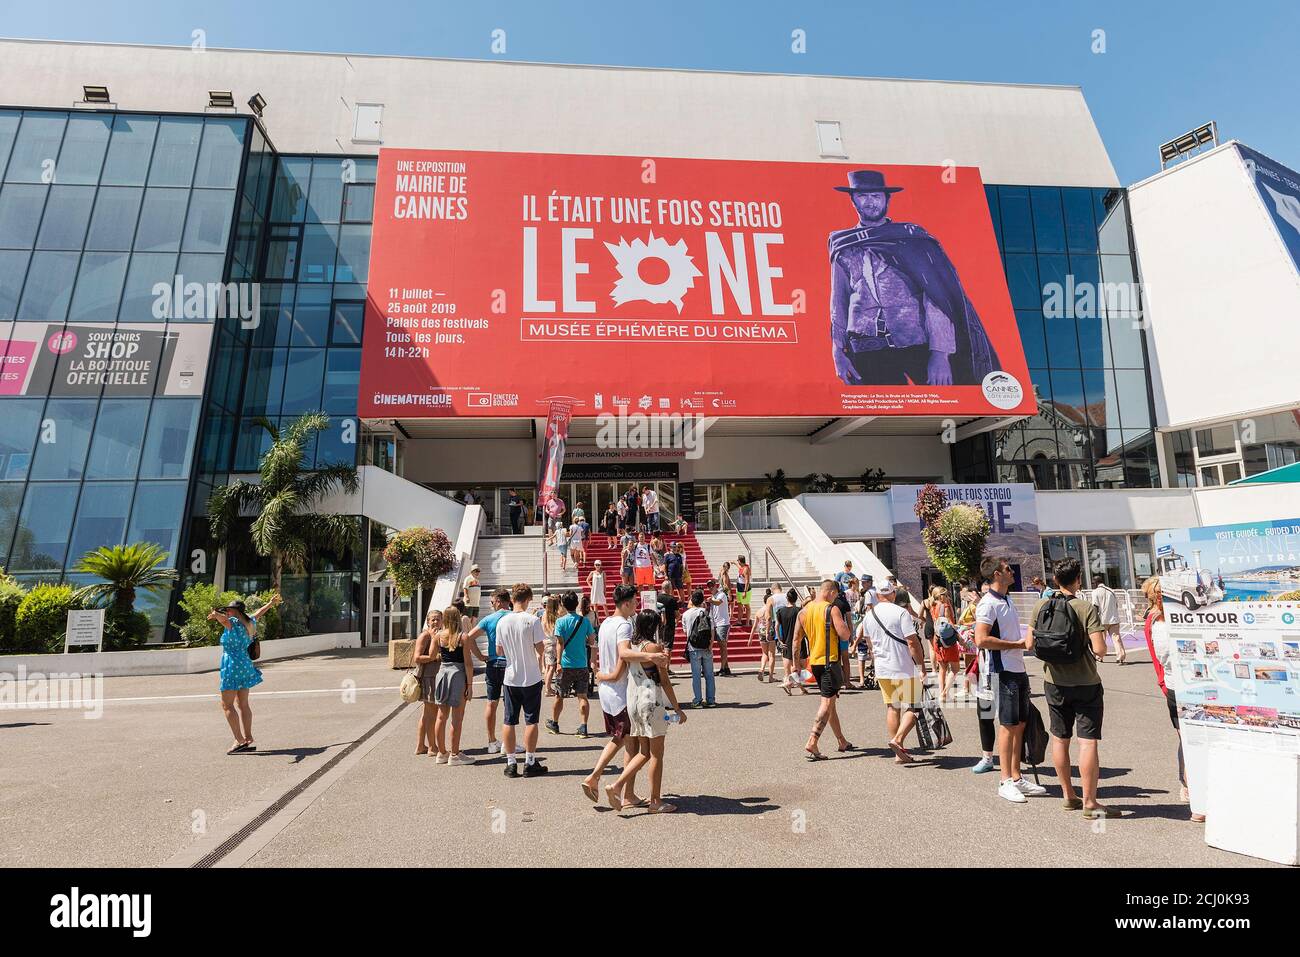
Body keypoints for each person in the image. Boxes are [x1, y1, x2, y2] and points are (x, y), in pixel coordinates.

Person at [828, 169, 999, 387]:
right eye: (862, 196)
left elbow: (937, 298)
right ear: (853, 200)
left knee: (938, 410)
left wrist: (940, 354)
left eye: (876, 196)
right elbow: (838, 301)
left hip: (916, 343)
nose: (870, 202)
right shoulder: (843, 243)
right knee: (883, 417)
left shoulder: (913, 239)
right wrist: (837, 351)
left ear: (887, 199)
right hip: (865, 346)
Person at [1028, 557, 1114, 818]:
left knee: (1060, 738)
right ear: (1078, 580)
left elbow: (1029, 644)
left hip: (1053, 682)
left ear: (1055, 580)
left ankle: (1068, 795)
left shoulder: (1041, 605)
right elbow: (1100, 649)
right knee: (1087, 742)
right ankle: (1090, 802)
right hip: (1086, 682)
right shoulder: (1086, 608)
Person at [582, 584, 669, 804]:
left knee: (623, 740)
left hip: (607, 692)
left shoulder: (605, 624)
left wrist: (602, 675)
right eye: (635, 602)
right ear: (627, 602)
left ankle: (621, 789)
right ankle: (608, 783)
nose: (637, 606)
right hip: (621, 691)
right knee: (630, 744)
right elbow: (623, 654)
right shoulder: (624, 626)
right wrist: (652, 658)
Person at [974, 556, 1047, 804]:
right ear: (996, 574)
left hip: (1017, 669)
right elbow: (981, 640)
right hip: (1002, 671)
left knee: (1020, 724)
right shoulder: (987, 604)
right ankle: (1005, 780)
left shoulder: (1006, 599)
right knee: (1007, 725)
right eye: (1007, 569)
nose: (1011, 571)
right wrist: (1016, 644)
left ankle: (1016, 777)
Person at [601, 609, 686, 812]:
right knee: (657, 753)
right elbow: (664, 680)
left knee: (644, 752)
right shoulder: (653, 647)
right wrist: (677, 708)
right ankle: (654, 801)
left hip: (634, 701)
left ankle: (618, 786)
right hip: (651, 702)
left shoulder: (632, 646)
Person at [1140, 576, 1202, 823]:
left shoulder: (1155, 622)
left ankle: (1189, 787)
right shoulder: (1162, 625)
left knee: (1185, 738)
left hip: (1172, 685)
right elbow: (1162, 658)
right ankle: (1192, 789)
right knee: (1190, 739)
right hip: (1180, 685)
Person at [858, 580, 925, 763]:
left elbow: (869, 642)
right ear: (893, 594)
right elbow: (912, 642)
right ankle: (898, 740)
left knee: (892, 707)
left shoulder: (869, 615)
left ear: (878, 595)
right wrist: (922, 667)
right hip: (903, 666)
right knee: (914, 706)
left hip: (882, 667)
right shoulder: (901, 612)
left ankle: (898, 753)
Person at [209, 594, 282, 755]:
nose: (227, 612)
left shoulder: (233, 622)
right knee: (243, 704)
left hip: (232, 665)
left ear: (234, 612)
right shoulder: (250, 622)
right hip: (245, 664)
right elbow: (258, 612)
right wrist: (270, 603)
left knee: (227, 705)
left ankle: (239, 741)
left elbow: (223, 620)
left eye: (228, 610)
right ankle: (248, 738)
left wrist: (216, 615)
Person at [793, 579, 854, 760]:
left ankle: (841, 740)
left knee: (831, 702)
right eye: (836, 595)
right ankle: (812, 740)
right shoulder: (831, 609)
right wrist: (845, 627)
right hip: (831, 662)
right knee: (827, 703)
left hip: (816, 663)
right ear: (832, 592)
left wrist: (797, 665)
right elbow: (845, 634)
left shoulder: (804, 611)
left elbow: (796, 640)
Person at [495, 583, 550, 778]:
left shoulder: (502, 622)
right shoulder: (532, 620)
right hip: (531, 676)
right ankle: (529, 760)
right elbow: (540, 648)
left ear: (512, 599)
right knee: (531, 720)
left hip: (510, 677)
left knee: (509, 720)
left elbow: (498, 650)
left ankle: (511, 763)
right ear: (527, 600)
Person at [431, 605, 484, 765]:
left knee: (441, 716)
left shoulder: (438, 635)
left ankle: (441, 753)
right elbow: (468, 664)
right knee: (457, 718)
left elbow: (433, 655)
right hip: (458, 675)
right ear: (458, 618)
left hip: (442, 673)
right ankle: (454, 754)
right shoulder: (463, 637)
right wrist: (470, 685)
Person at [465, 589, 510, 755]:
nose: (491, 605)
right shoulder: (514, 617)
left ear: (498, 601)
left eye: (492, 602)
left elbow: (468, 638)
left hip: (492, 663)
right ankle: (508, 742)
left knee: (491, 702)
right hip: (509, 664)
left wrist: (480, 656)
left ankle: (492, 741)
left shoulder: (489, 619)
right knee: (509, 703)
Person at [547, 591, 595, 737]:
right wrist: (583, 641)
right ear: (577, 603)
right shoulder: (584, 621)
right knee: (582, 696)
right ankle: (583, 726)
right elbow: (592, 640)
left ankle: (555, 723)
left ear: (564, 604)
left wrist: (559, 662)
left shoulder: (560, 622)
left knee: (559, 695)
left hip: (566, 664)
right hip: (581, 663)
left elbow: (560, 644)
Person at [413, 609, 442, 755]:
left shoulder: (439, 635)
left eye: (438, 619)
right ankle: (432, 747)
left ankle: (420, 746)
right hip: (428, 678)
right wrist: (434, 657)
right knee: (432, 714)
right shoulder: (425, 636)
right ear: (428, 621)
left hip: (435, 677)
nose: (436, 622)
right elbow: (417, 658)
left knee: (426, 714)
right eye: (433, 619)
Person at [681, 590, 716, 707]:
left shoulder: (686, 614)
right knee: (709, 675)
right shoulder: (707, 613)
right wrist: (710, 645)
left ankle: (698, 700)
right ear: (702, 601)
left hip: (693, 647)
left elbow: (686, 631)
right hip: (706, 647)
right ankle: (711, 700)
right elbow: (712, 630)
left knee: (696, 675)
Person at [924, 585, 960, 700]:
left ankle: (941, 693)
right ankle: (945, 692)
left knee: (942, 668)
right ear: (942, 595)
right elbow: (950, 624)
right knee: (955, 669)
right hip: (948, 639)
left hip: (937, 639)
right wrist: (959, 632)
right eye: (945, 594)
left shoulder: (932, 606)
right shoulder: (945, 606)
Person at [776, 588, 808, 695]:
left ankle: (791, 685)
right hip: (799, 640)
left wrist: (780, 640)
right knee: (802, 666)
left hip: (786, 641)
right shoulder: (799, 611)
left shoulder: (780, 611)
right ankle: (795, 685)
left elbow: (776, 627)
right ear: (796, 599)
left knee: (788, 668)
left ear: (787, 599)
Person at [1090, 577, 1125, 665]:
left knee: (1101, 639)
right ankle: (1120, 657)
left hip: (1102, 619)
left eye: (1093, 583)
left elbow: (1095, 606)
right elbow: (1116, 604)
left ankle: (1099, 657)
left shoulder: (1095, 592)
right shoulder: (1111, 591)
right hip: (1114, 618)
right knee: (1116, 639)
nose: (1092, 585)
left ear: (1097, 583)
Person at [755, 585, 784, 683]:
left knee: (764, 653)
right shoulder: (771, 606)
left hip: (761, 632)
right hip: (770, 629)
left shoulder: (759, 610)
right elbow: (769, 619)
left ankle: (762, 669)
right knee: (771, 655)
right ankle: (771, 676)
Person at [707, 577, 733, 676]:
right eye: (709, 586)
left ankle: (722, 668)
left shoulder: (721, 594)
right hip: (717, 623)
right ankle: (726, 667)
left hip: (723, 623)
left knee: (723, 646)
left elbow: (718, 603)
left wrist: (711, 601)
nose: (710, 587)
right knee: (722, 646)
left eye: (712, 585)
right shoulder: (713, 596)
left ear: (715, 585)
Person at [658, 581, 681, 676]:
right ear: (668, 588)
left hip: (658, 626)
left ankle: (661, 667)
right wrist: (677, 620)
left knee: (660, 645)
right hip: (669, 625)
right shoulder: (672, 599)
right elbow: (677, 614)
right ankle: (666, 668)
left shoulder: (657, 598)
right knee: (668, 647)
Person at [541, 593, 561, 697]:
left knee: (548, 667)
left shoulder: (544, 614)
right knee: (552, 667)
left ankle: (547, 687)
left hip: (546, 642)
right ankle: (548, 689)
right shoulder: (555, 616)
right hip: (553, 643)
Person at [734, 555, 752, 627]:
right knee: (740, 605)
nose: (737, 562)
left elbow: (747, 581)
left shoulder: (746, 569)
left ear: (740, 561)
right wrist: (734, 563)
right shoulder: (741, 567)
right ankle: (739, 621)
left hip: (745, 590)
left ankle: (747, 622)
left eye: (737, 560)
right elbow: (739, 567)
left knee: (747, 606)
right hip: (739, 589)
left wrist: (745, 591)